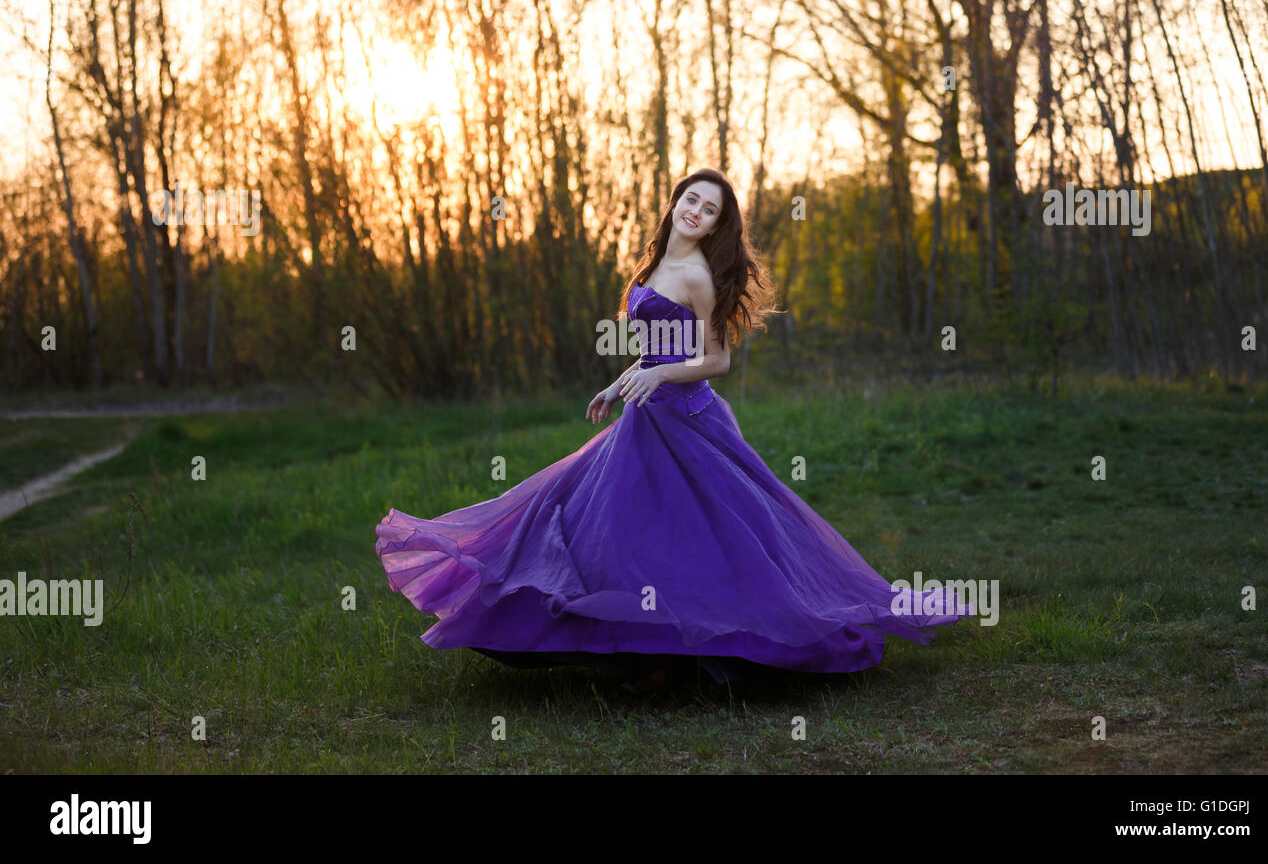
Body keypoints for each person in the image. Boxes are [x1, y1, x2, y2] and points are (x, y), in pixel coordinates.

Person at [374, 168, 973, 687]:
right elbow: (662, 349)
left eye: (710, 209)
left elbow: (715, 360)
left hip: (688, 421)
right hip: (646, 416)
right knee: (611, 529)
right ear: (676, 203)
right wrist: (622, 382)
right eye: (692, 200)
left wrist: (659, 380)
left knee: (702, 539)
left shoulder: (698, 278)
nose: (697, 212)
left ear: (717, 225)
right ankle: (644, 651)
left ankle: (706, 647)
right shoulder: (657, 263)